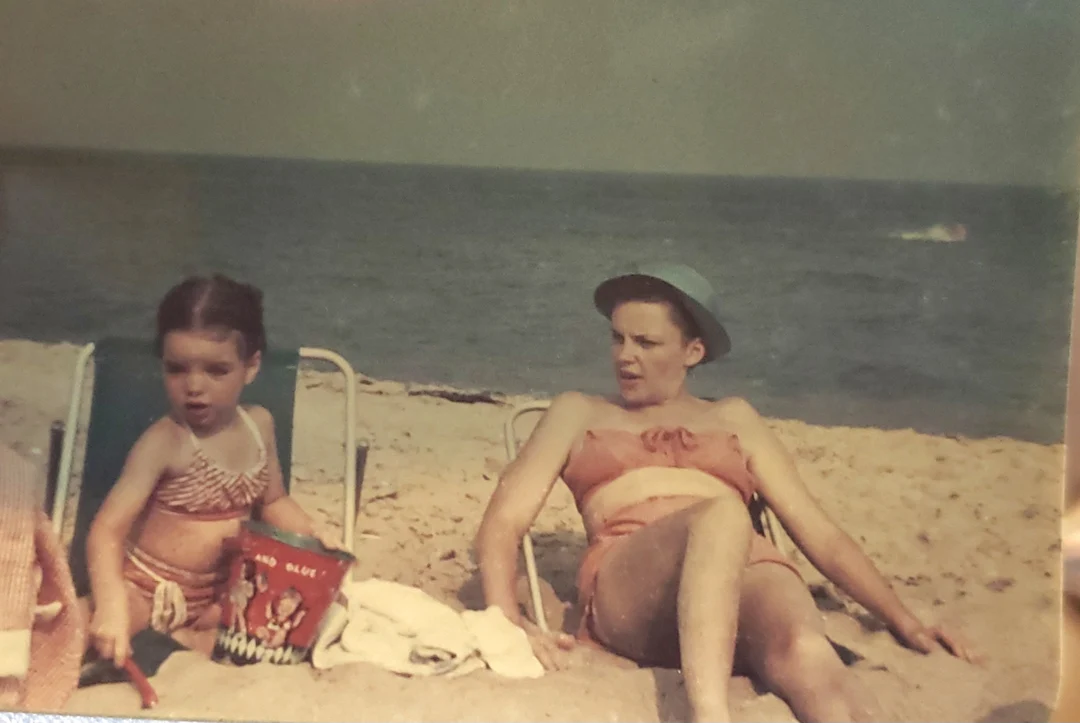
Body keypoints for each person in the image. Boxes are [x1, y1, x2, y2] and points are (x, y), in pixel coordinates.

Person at [475, 263, 978, 723]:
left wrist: (905, 622)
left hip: (742, 570)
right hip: (635, 579)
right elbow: (503, 523)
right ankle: (710, 715)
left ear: (693, 352)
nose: (625, 356)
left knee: (808, 651)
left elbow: (819, 534)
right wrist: (508, 620)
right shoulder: (577, 411)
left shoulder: (735, 417)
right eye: (618, 339)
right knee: (720, 516)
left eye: (646, 343)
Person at [82, 274, 340, 667]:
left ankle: (180, 643)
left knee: (281, 624)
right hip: (149, 590)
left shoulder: (260, 426)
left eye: (217, 370)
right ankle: (163, 640)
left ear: (251, 366)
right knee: (84, 628)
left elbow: (274, 500)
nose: (194, 385)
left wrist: (313, 535)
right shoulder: (165, 441)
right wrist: (112, 605)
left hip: (219, 595)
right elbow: (106, 530)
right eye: (176, 369)